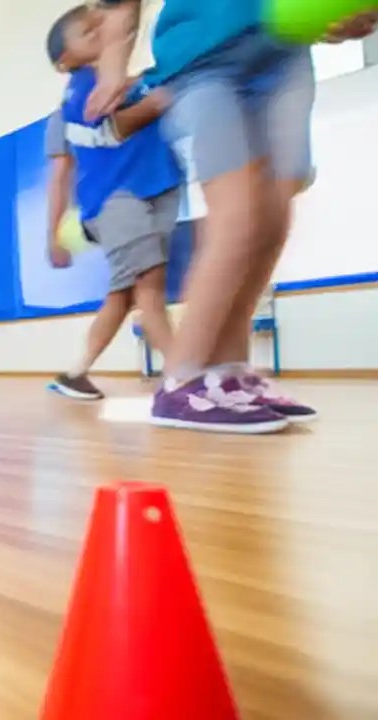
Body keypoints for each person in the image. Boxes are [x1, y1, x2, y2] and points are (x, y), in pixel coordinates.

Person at [87, 1, 376, 431]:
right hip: (204, 60)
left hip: (287, 51)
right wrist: (112, 65)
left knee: (274, 217)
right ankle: (181, 379)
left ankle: (229, 371)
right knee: (237, 216)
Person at [44, 4, 182, 401]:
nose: (103, 30)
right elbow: (65, 171)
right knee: (150, 288)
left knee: (123, 294)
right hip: (117, 201)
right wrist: (52, 235)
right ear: (65, 62)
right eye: (90, 33)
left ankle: (75, 373)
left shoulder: (120, 81)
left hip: (144, 192)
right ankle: (183, 376)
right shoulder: (80, 94)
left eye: (100, 23)